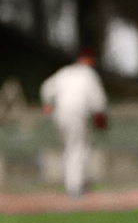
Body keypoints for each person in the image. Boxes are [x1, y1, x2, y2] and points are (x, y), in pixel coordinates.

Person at [39, 49, 108, 198]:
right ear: (90, 61)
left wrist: (48, 106)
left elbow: (46, 88)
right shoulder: (89, 75)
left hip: (60, 114)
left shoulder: (66, 72)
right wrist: (100, 115)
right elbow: (98, 101)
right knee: (77, 147)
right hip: (77, 114)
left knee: (67, 147)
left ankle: (69, 181)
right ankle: (75, 186)